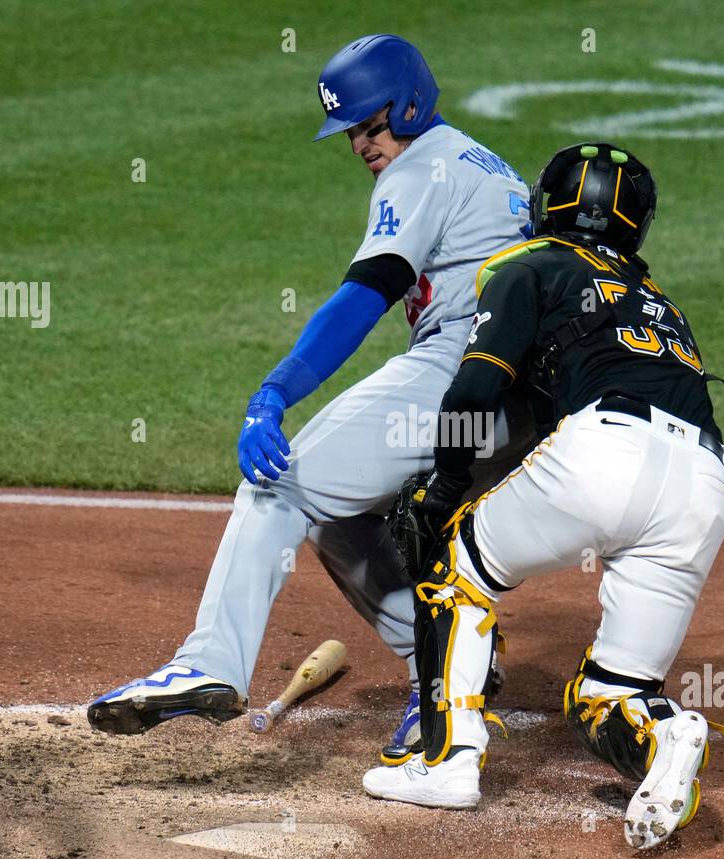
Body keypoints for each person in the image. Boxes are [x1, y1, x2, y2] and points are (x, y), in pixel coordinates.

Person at [87, 34, 533, 761]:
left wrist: (274, 392)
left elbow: (363, 298)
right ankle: (448, 675)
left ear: (411, 101)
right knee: (337, 515)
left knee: (279, 484)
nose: (362, 142)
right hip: (522, 403)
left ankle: (211, 664)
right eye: (352, 131)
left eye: (372, 123)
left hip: (461, 372)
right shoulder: (483, 162)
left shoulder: (421, 169)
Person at [362, 143, 724, 849]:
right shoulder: (659, 302)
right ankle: (666, 735)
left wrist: (442, 490)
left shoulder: (529, 265)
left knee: (451, 567)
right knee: (611, 696)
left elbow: (473, 388)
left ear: (549, 206)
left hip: (605, 456)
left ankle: (445, 761)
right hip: (703, 488)